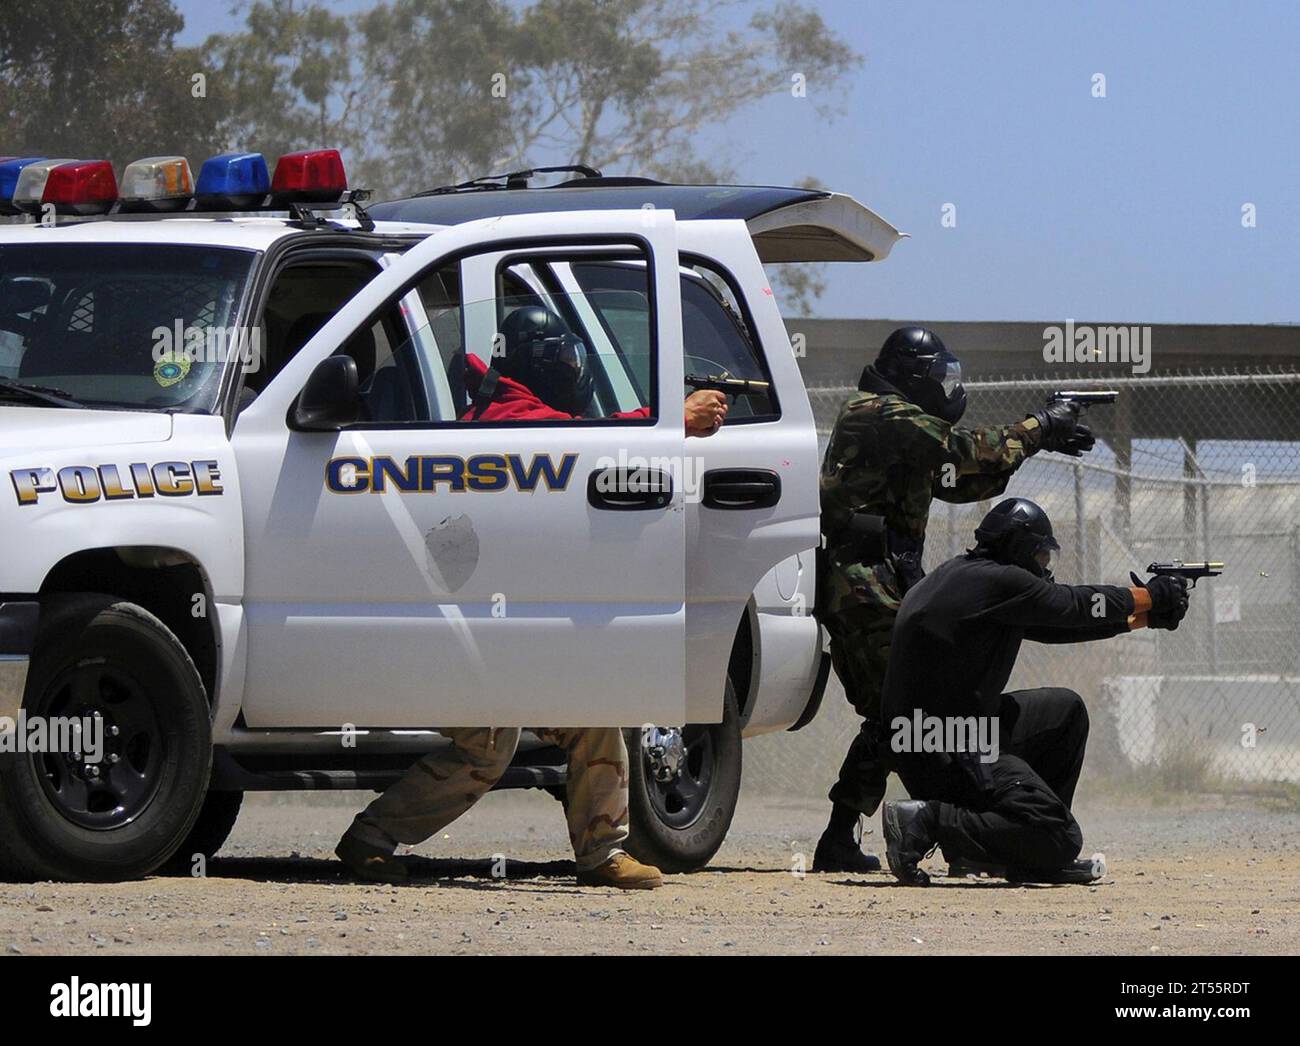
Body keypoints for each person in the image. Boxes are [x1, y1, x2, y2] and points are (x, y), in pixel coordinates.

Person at [335, 305, 727, 889]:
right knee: (489, 742)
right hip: (475, 624)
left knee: (593, 719)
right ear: (538, 363)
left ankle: (601, 855)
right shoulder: (511, 413)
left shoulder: (516, 408)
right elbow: (593, 448)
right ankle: (371, 838)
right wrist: (672, 422)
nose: (571, 370)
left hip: (512, 622)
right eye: (561, 358)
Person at [814, 326, 1097, 873]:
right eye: (938, 377)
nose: (948, 389)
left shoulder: (899, 424)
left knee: (897, 710)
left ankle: (870, 834)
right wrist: (1040, 426)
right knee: (896, 711)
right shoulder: (880, 412)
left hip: (888, 579)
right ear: (911, 374)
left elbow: (959, 479)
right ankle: (934, 826)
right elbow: (959, 450)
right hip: (862, 584)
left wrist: (1040, 443)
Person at [879, 497, 1190, 885]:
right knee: (1059, 836)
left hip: (932, 735)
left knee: (1065, 711)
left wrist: (1144, 619)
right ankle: (927, 820)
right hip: (945, 743)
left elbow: (1058, 625)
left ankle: (1007, 853)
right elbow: (1072, 604)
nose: (1045, 566)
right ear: (1019, 547)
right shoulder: (998, 581)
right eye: (1042, 555)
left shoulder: (963, 576)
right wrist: (1150, 596)